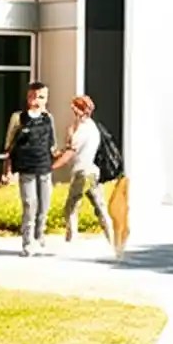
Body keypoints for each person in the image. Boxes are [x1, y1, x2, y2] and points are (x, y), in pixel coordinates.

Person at [2, 82, 59, 257]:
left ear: (46, 99)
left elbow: (53, 144)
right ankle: (27, 243)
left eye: (41, 97)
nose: (37, 100)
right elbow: (9, 146)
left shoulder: (49, 118)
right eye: (33, 96)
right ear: (28, 98)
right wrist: (7, 170)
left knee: (44, 205)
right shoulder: (18, 118)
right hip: (26, 168)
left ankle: (39, 235)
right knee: (29, 204)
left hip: (44, 168)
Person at [51, 95, 114, 248]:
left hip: (82, 172)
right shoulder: (92, 127)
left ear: (82, 110)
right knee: (100, 206)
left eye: (75, 108)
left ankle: (72, 238)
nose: (73, 112)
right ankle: (112, 237)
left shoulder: (84, 129)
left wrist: (52, 166)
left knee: (71, 206)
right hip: (92, 171)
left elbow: (71, 151)